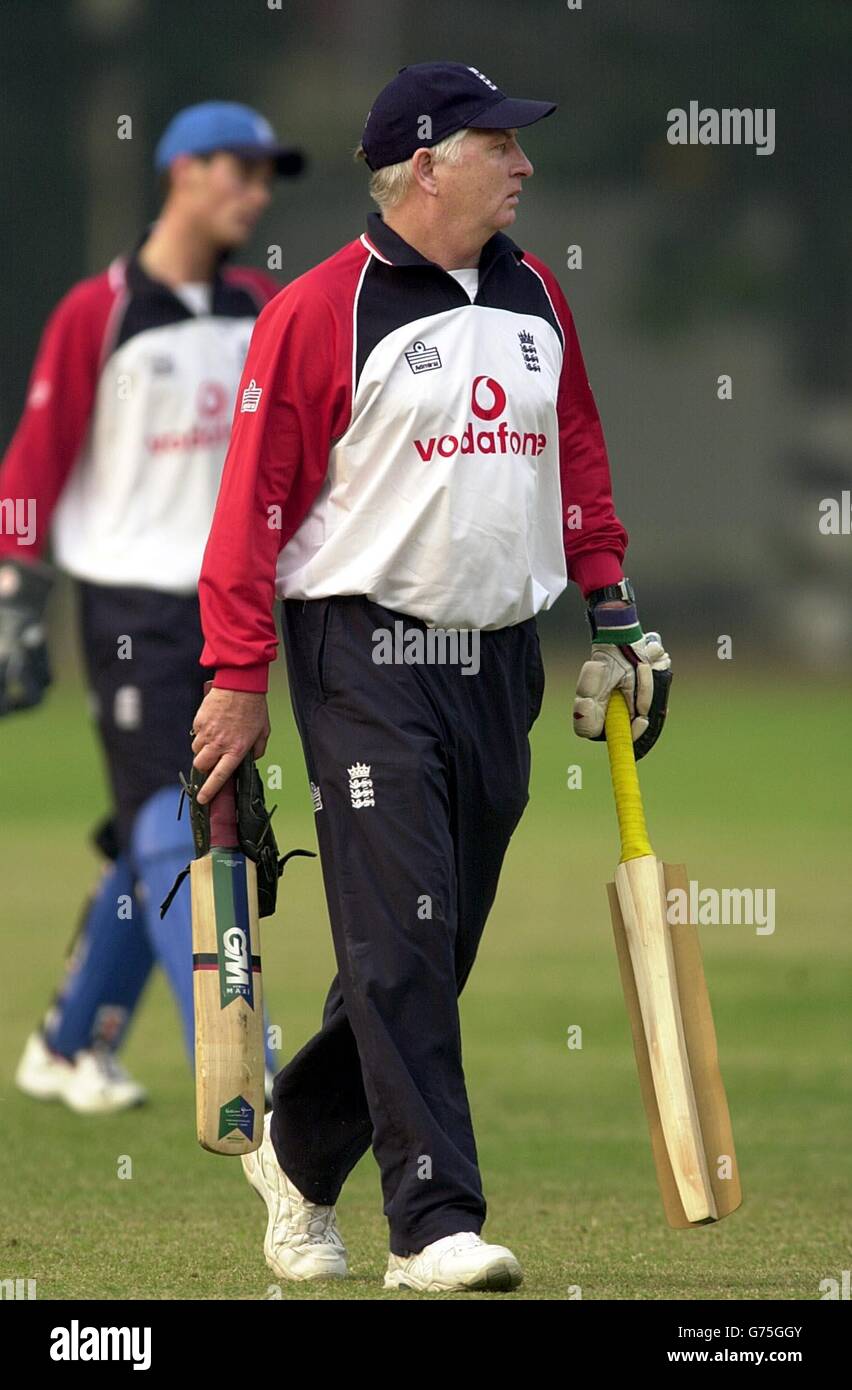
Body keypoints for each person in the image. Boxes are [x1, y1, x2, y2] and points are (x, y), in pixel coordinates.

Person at [189, 63, 671, 1293]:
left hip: (497, 659)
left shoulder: (537, 295)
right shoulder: (318, 310)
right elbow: (249, 509)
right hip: (365, 657)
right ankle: (433, 1223)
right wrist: (236, 675)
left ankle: (295, 1153)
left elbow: (578, 459)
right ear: (422, 165)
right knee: (403, 943)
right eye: (497, 146)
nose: (522, 165)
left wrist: (615, 617)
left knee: (426, 946)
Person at [1, 101, 304, 1114]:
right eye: (241, 173)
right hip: (128, 602)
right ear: (181, 170)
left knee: (151, 827)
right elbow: (32, 465)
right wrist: (15, 591)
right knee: (183, 817)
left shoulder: (264, 304)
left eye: (267, 179)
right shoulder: (101, 309)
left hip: (234, 613)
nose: (256, 196)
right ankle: (239, 1055)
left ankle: (66, 1038)